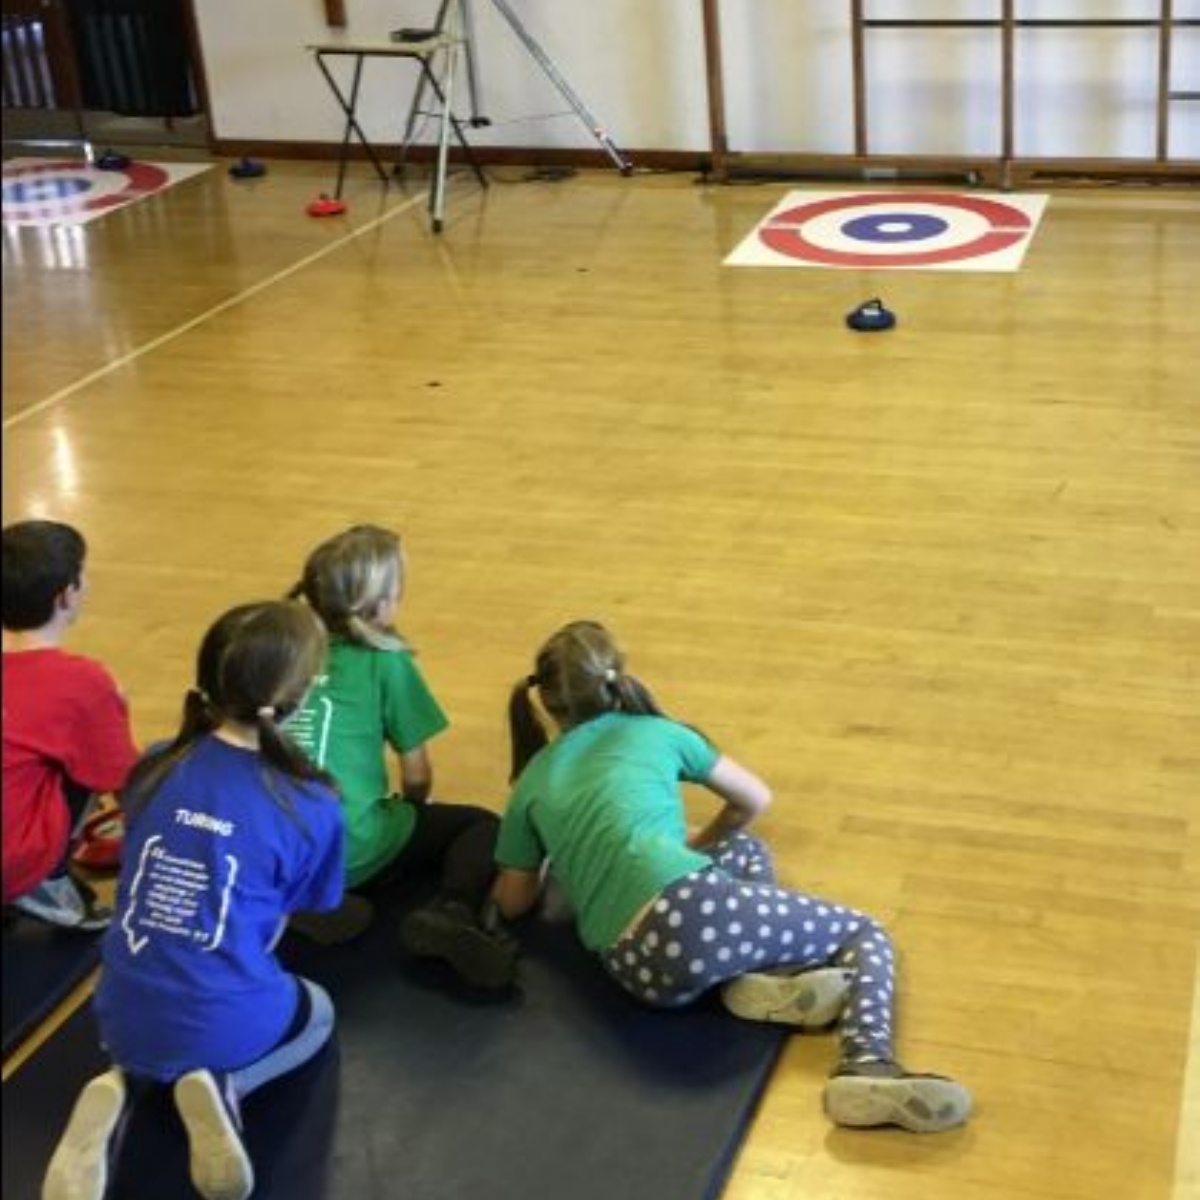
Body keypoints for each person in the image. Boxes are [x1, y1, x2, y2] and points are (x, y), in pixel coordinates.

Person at [491, 620, 972, 1134]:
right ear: (616, 677)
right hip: (694, 915)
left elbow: (514, 902)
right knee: (864, 933)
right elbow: (753, 799)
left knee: (742, 851)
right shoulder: (658, 732)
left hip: (637, 972)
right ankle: (866, 1063)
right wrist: (698, 843)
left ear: (547, 702)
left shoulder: (532, 779)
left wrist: (549, 852)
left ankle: (756, 984)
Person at [43, 600, 347, 1200]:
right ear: (301, 696)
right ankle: (230, 1086)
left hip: (117, 1015)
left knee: (166, 1007)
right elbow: (292, 914)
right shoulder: (309, 803)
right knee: (318, 1010)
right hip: (228, 1021)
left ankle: (121, 1084)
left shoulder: (156, 763)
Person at [286, 524, 515, 988]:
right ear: (377, 606)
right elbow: (417, 774)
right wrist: (412, 810)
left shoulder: (283, 651)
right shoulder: (385, 662)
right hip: (348, 844)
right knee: (481, 825)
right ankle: (452, 912)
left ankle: (296, 900)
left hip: (270, 847)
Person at [2, 520, 138, 929]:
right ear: (66, 595)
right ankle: (47, 882)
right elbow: (126, 783)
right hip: (11, 865)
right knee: (88, 745)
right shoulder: (82, 682)